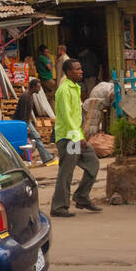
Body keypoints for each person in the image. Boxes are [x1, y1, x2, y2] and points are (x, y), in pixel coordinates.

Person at [51, 58, 101, 217]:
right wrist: (77, 136)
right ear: (68, 72)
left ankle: (81, 197)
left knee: (93, 163)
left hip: (76, 135)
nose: (81, 71)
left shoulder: (75, 87)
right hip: (68, 138)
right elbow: (66, 116)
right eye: (77, 69)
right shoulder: (64, 90)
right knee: (66, 172)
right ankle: (59, 207)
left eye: (80, 68)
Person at [14, 79, 56, 165]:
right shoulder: (26, 97)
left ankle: (46, 157)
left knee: (33, 140)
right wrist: (25, 126)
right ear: (33, 87)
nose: (39, 89)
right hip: (23, 122)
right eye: (38, 87)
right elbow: (22, 113)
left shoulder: (29, 95)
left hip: (24, 121)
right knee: (36, 138)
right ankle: (47, 158)